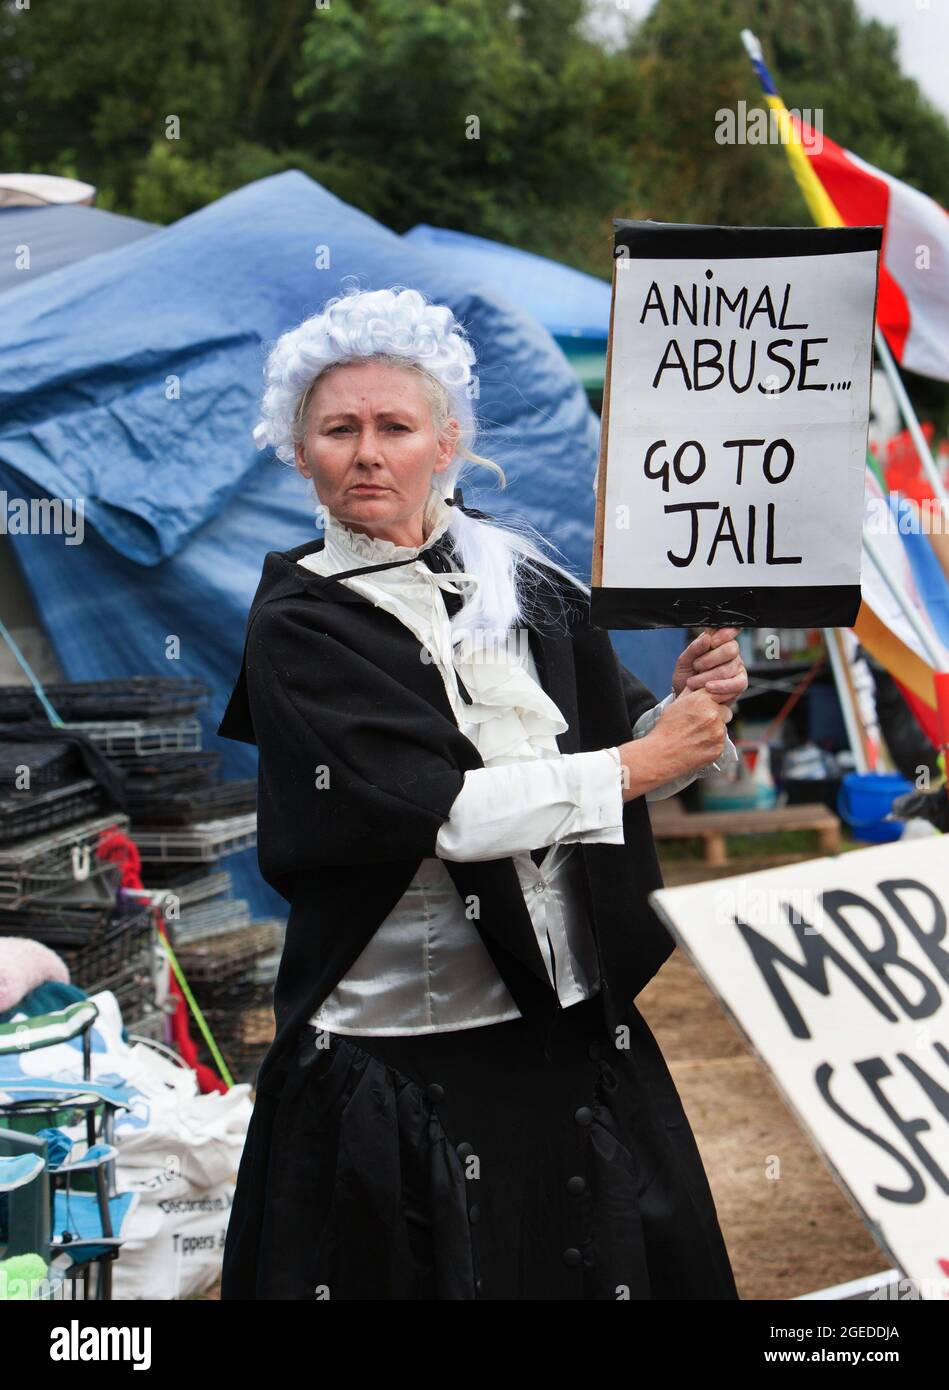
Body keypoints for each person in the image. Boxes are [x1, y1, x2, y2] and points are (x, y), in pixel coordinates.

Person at [216, 285, 748, 1301]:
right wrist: (642, 762)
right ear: (299, 452)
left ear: (445, 440)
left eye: (394, 426)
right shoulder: (299, 622)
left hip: (563, 1026)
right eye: (338, 429)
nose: (367, 452)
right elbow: (443, 810)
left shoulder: (520, 572)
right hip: (402, 1055)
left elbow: (614, 737)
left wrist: (684, 712)